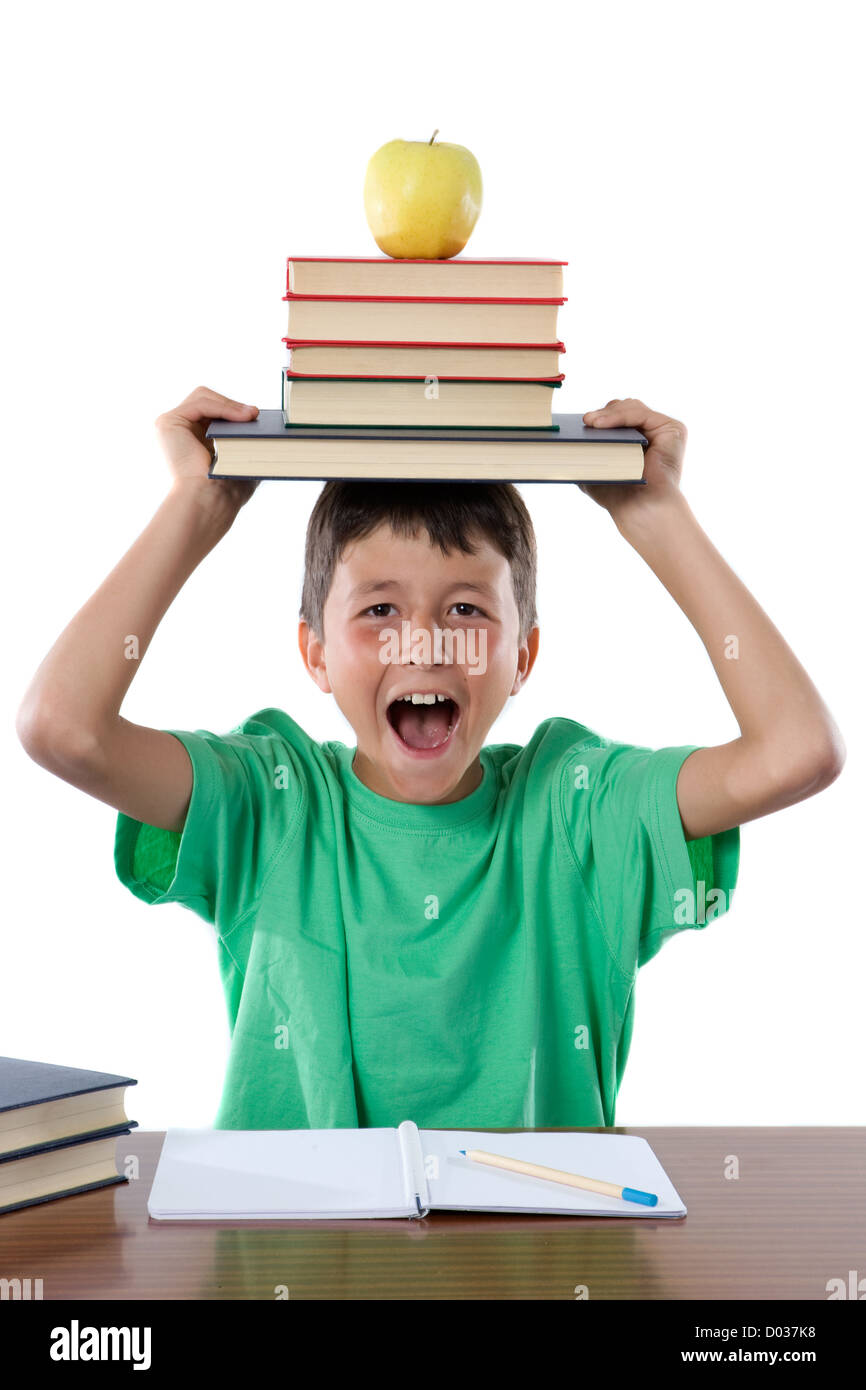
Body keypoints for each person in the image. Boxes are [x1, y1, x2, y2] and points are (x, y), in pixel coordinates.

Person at [16, 386, 845, 1130]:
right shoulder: (273, 801)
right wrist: (192, 507)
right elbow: (62, 727)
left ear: (523, 657)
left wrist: (658, 514)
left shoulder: (579, 806)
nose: (423, 641)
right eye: (379, 608)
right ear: (315, 654)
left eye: (466, 609)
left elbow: (798, 751)